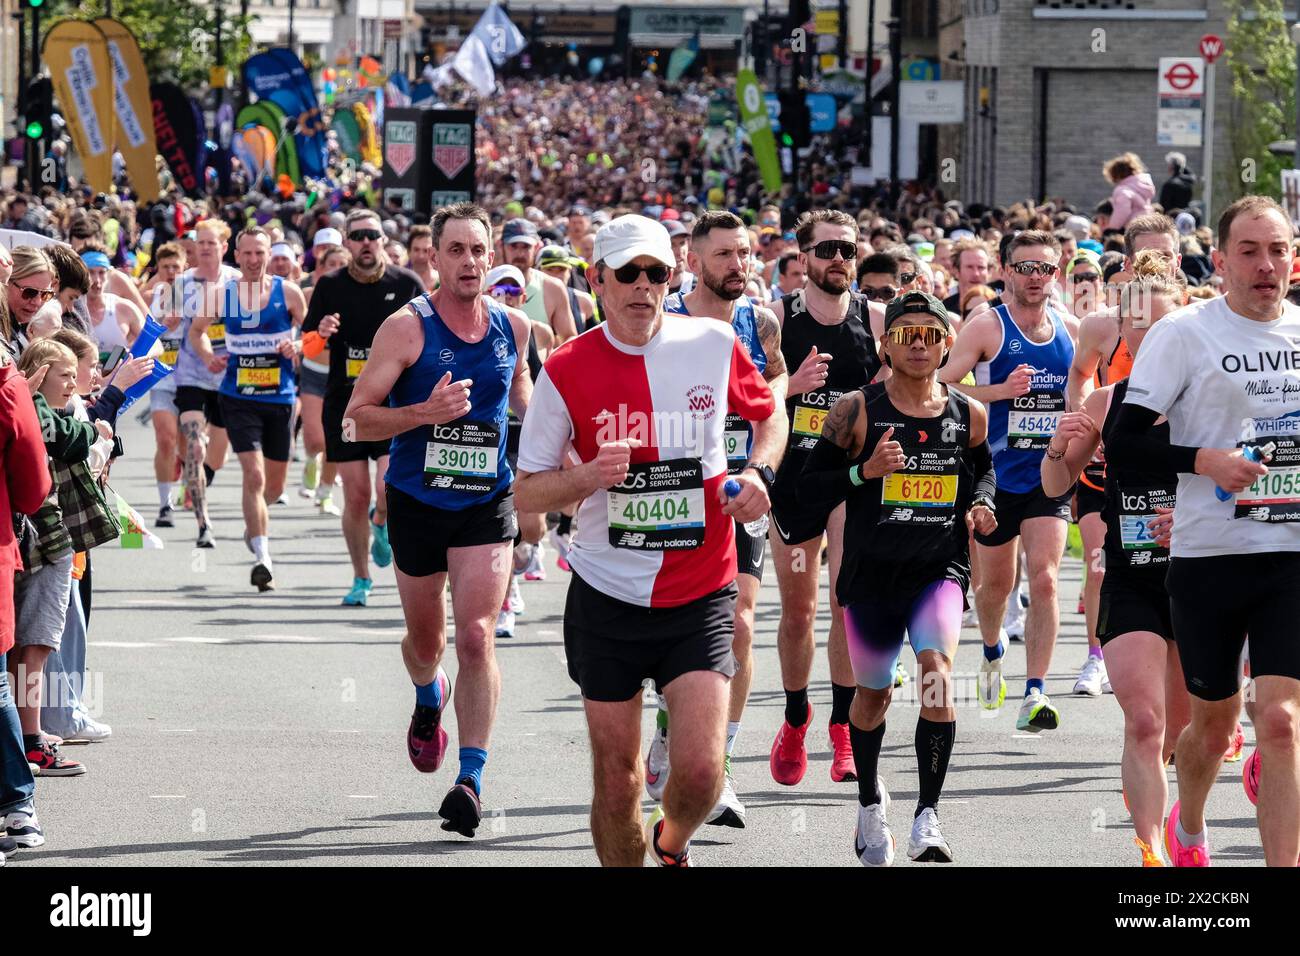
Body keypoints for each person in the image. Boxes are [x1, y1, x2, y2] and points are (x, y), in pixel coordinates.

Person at [514, 214, 781, 866]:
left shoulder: (713, 342)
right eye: (627, 272)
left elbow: (769, 416)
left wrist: (758, 473)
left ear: (673, 276)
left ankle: (671, 844)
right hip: (607, 596)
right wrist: (587, 476)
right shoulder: (566, 368)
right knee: (617, 783)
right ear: (597, 280)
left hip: (701, 590)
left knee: (701, 772)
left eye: (656, 273)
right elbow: (525, 492)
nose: (642, 285)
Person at [1108, 196, 1300, 868]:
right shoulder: (1184, 334)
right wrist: (1203, 461)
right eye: (1249, 251)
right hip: (1209, 556)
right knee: (1211, 728)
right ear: (1219, 261)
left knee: (1279, 722)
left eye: (1277, 250)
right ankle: (1187, 822)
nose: (1266, 264)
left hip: (1289, 554)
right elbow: (1124, 444)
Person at [344, 202, 533, 838]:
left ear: (490, 256)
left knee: (477, 636)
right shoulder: (406, 328)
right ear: (434, 257)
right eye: (456, 250)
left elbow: (526, 400)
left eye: (478, 250)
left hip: (486, 501)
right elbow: (355, 419)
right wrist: (423, 413)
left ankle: (470, 778)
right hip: (418, 502)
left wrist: (560, 448)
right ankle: (429, 693)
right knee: (427, 645)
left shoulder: (514, 327)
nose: (469, 262)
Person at [800, 291, 996, 865]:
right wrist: (863, 473)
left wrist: (982, 504)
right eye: (905, 334)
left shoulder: (968, 413)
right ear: (886, 345)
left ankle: (927, 816)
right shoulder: (855, 410)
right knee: (874, 694)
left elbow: (984, 471)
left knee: (936, 675)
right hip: (871, 576)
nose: (917, 345)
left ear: (946, 345)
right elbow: (809, 487)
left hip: (938, 570)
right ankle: (869, 804)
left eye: (929, 335)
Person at [1041, 251, 1188, 866]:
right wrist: (1058, 448)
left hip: (1200, 582)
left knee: (1185, 734)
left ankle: (1187, 823)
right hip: (1132, 580)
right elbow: (1055, 485)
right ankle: (1151, 852)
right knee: (1146, 724)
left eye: (1159, 325)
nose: (1146, 336)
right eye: (1135, 326)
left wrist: (1198, 519)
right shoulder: (1105, 403)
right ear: (1121, 333)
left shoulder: (1213, 401)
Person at [649, 210, 789, 828]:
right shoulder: (664, 319)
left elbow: (776, 384)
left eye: (745, 253)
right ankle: (666, 725)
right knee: (675, 628)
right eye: (725, 254)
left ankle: (721, 765)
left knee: (740, 621)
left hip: (741, 489)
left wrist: (762, 454)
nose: (739, 265)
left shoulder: (760, 321)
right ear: (692, 261)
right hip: (676, 491)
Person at [941, 230, 1078, 732]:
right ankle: (992, 649)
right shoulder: (986, 327)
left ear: (1056, 274)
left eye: (1045, 268)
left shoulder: (1071, 330)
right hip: (995, 478)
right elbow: (941, 385)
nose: (1036, 277)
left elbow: (1085, 391)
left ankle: (1035, 691)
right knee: (995, 587)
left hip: (1049, 475)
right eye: (1025, 267)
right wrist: (1000, 390)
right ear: (1006, 271)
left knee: (1045, 578)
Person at [767, 209, 885, 787]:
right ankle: (796, 717)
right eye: (827, 249)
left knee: (845, 604)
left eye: (848, 249)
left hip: (850, 481)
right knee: (798, 613)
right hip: (793, 482)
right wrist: (790, 387)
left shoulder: (876, 319)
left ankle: (842, 728)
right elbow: (743, 399)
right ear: (803, 257)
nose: (839, 259)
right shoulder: (774, 320)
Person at [302, 208, 423, 607]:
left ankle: (381, 519)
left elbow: (432, 338)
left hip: (395, 403)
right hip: (347, 403)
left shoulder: (406, 283)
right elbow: (308, 348)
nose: (366, 242)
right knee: (354, 495)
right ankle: (360, 578)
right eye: (358, 236)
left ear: (383, 240)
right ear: (347, 242)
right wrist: (321, 334)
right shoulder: (330, 285)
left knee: (388, 490)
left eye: (373, 235)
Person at [190, 226, 307, 589]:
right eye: (248, 254)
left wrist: (298, 346)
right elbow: (196, 331)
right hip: (238, 397)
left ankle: (254, 526)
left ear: (270, 254)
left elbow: (312, 335)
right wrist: (208, 357)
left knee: (274, 486)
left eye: (260, 253)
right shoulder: (221, 294)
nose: (254, 260)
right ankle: (262, 557)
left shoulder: (288, 293)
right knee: (253, 476)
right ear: (237, 256)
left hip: (280, 398)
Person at [0, 343, 52, 862]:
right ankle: (17, 805)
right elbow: (34, 485)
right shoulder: (7, 382)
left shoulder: (8, 382)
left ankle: (18, 804)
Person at [170, 219, 239, 548]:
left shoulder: (238, 281)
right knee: (196, 446)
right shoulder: (182, 283)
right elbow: (167, 323)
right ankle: (204, 524)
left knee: (218, 456)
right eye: (201, 242)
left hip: (229, 377)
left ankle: (197, 479)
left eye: (212, 243)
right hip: (191, 374)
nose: (206, 248)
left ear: (224, 247)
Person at [147, 243, 189, 528]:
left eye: (176, 267)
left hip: (191, 381)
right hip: (162, 379)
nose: (172, 272)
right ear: (158, 270)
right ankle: (165, 505)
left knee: (188, 445)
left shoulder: (197, 296)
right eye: (166, 267)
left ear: (185, 268)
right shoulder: (149, 298)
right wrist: (162, 323)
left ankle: (188, 482)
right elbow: (139, 335)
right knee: (165, 439)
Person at [501, 218, 578, 344]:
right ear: (501, 246)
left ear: (537, 247)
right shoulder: (484, 286)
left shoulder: (553, 287)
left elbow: (569, 338)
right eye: (513, 246)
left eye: (526, 247)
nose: (520, 253)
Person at [82, 247, 145, 353]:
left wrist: (132, 355)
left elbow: (156, 345)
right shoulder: (69, 309)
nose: (97, 280)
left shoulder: (124, 307)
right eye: (90, 272)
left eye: (102, 272)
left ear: (109, 275)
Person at [1103, 153, 1156, 232]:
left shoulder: (1122, 190)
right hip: (1147, 222)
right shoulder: (1141, 186)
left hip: (1132, 228)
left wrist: (1112, 228)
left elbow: (1122, 211)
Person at [943, 238, 994, 317]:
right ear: (956, 270)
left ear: (989, 271)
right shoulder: (944, 309)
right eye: (969, 267)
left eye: (981, 267)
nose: (976, 274)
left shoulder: (1000, 308)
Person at [407, 224, 439, 292]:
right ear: (409, 252)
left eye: (425, 251)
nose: (420, 256)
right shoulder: (400, 282)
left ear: (434, 254)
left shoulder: (444, 283)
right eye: (416, 250)